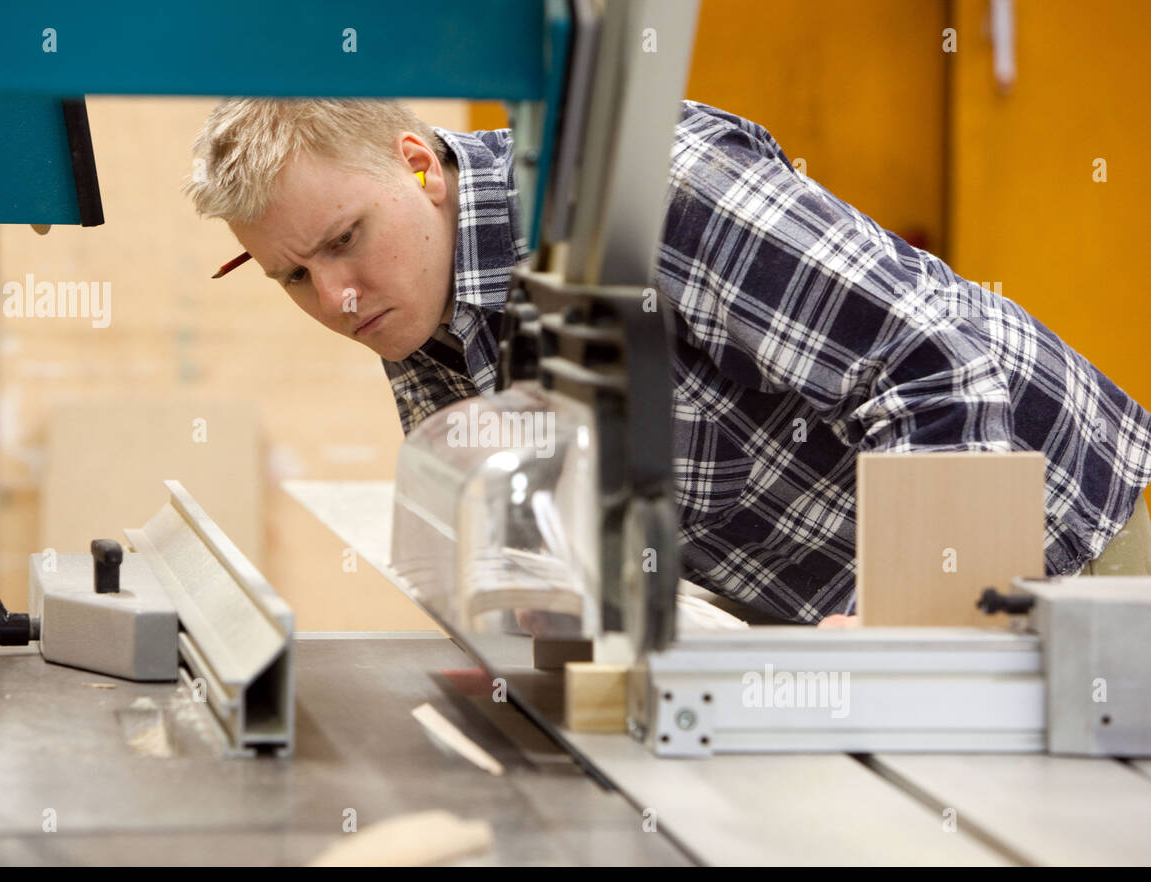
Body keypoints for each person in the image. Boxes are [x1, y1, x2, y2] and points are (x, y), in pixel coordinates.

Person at [183, 97, 1151, 627]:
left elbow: (937, 365)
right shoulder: (414, 303)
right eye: (293, 277)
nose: (336, 298)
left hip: (1084, 553)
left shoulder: (658, 198)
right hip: (864, 615)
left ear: (418, 165)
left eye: (345, 237)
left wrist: (902, 623)